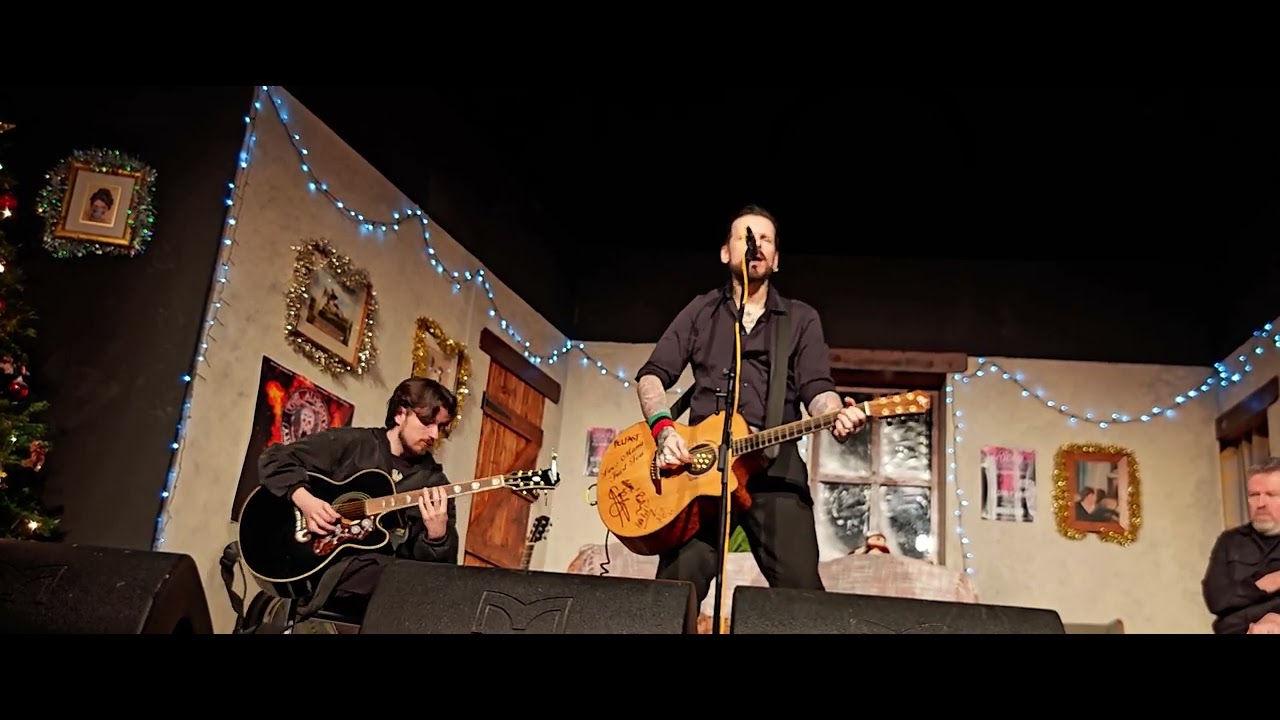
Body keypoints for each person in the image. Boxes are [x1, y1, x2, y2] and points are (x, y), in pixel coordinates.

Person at [633, 203, 868, 605]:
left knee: (804, 600)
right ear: (726, 252)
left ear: (776, 260)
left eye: (765, 239)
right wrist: (663, 429)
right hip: (702, 472)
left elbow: (817, 390)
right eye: (745, 236)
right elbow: (653, 375)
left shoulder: (800, 319)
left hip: (776, 473)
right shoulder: (700, 311)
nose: (754, 244)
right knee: (672, 596)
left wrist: (835, 414)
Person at [257, 377, 460, 623]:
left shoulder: (435, 484)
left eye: (441, 427)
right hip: (327, 569)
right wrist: (306, 501)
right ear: (400, 414)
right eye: (427, 422)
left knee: (423, 584)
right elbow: (274, 458)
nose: (433, 434)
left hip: (389, 586)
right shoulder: (355, 444)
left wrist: (437, 538)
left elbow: (436, 574)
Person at [1201, 456, 1280, 634]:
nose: (1261, 504)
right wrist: (1268, 582)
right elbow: (1217, 600)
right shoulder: (1230, 541)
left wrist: (1275, 617)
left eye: (1271, 495)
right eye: (1254, 495)